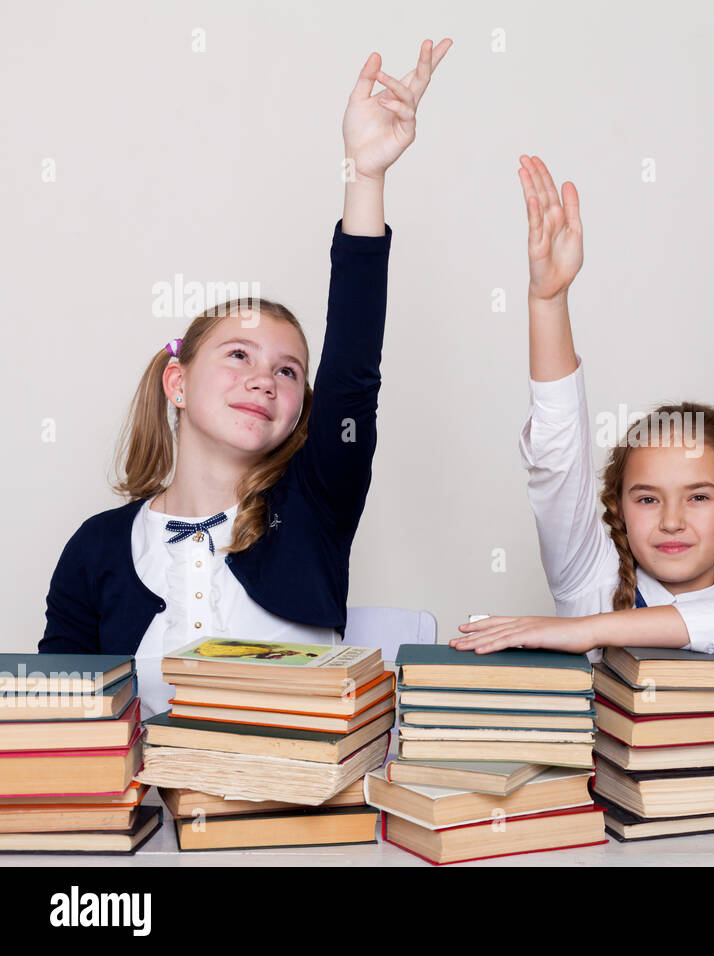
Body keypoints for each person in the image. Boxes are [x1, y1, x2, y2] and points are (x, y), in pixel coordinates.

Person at [39, 39, 452, 714]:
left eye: (288, 371)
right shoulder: (96, 548)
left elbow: (352, 368)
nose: (265, 379)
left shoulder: (315, 506)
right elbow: (60, 719)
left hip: (290, 813)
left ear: (301, 409)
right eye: (238, 355)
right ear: (177, 383)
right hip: (153, 814)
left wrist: (365, 177)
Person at [451, 156, 714, 662]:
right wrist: (548, 301)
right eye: (646, 499)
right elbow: (558, 458)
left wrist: (587, 631)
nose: (671, 522)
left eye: (698, 498)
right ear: (618, 508)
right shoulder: (589, 575)